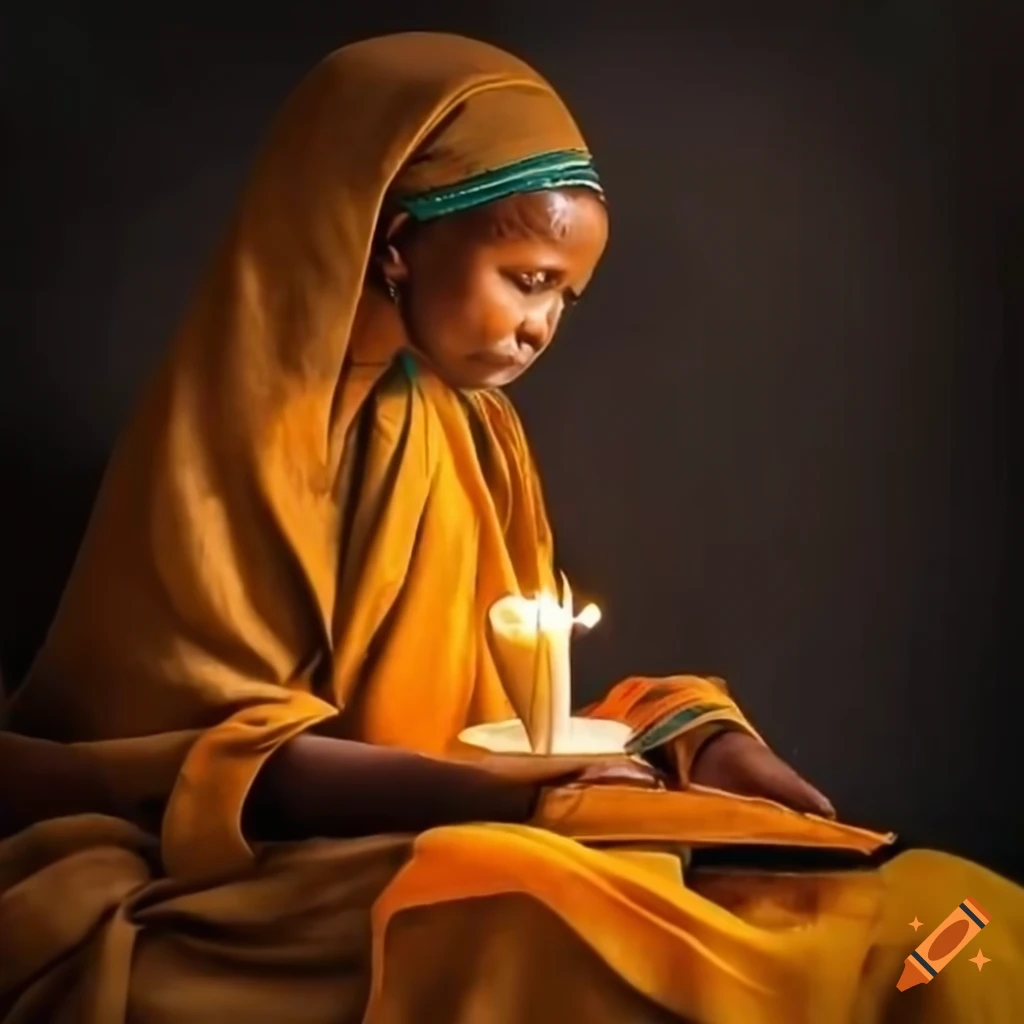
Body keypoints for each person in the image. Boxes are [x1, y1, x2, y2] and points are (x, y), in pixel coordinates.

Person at [1, 31, 1021, 1024]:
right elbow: (217, 760)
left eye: (565, 296)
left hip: (497, 825)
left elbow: (516, 688)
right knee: (605, 932)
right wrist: (511, 802)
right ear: (394, 239)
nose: (543, 326)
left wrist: (689, 738)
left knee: (938, 913)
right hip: (313, 871)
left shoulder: (475, 430)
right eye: (527, 278)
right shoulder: (237, 440)